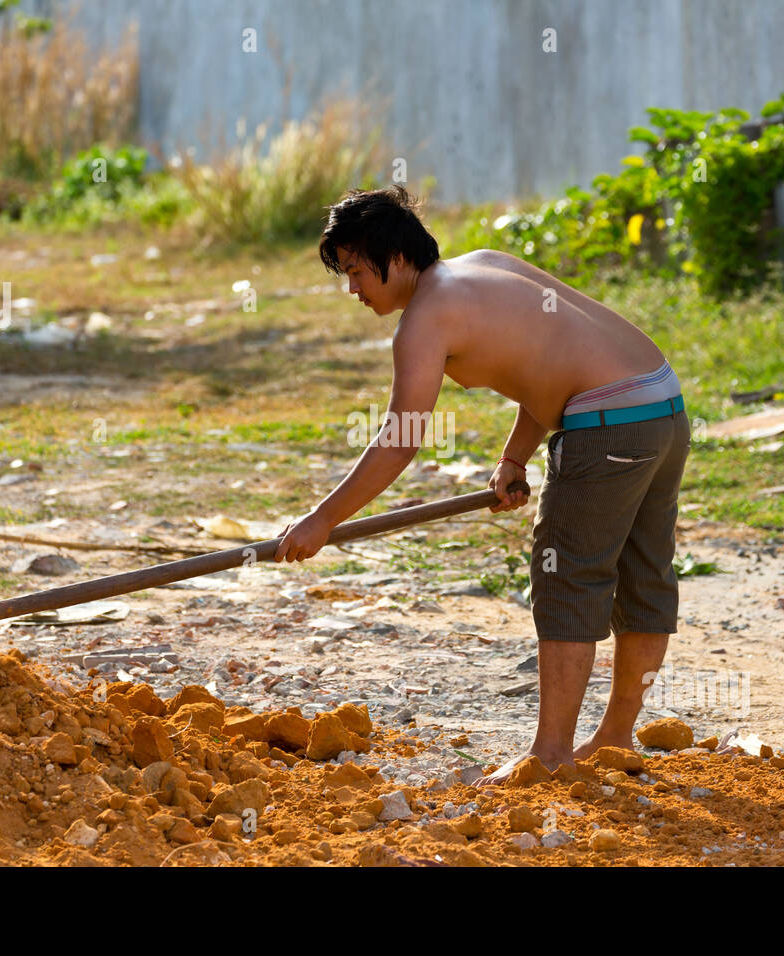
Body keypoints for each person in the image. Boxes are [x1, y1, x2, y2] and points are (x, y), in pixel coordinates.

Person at [275, 185, 690, 785]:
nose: (353, 290)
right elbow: (553, 359)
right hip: (662, 406)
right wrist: (515, 456)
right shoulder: (485, 266)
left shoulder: (425, 320)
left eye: (357, 272)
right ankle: (616, 739)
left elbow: (400, 438)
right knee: (644, 570)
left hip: (611, 425)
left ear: (394, 259)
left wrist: (322, 519)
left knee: (566, 574)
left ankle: (550, 757)